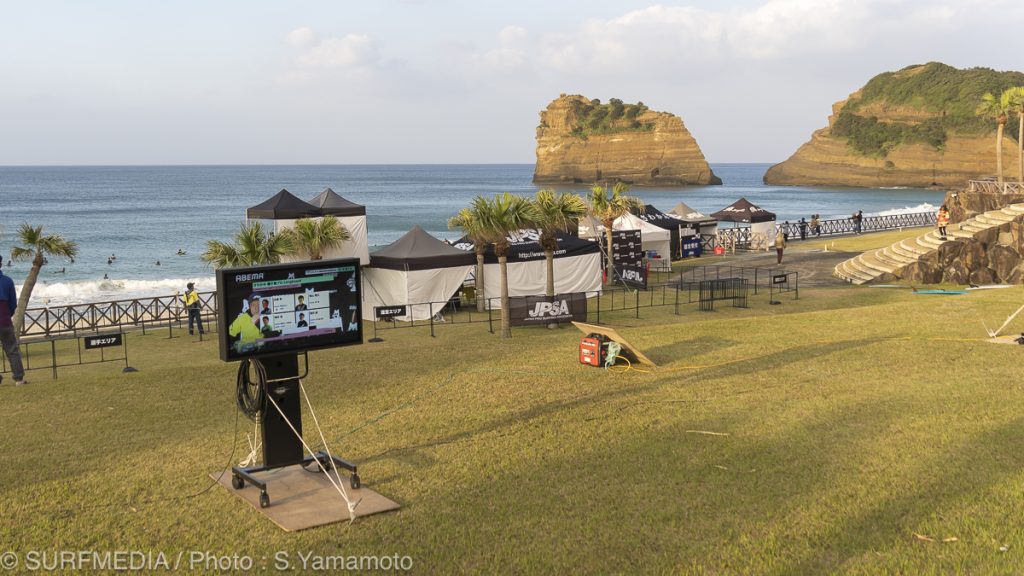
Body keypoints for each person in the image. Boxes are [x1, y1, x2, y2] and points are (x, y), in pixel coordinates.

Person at [0, 256, 27, 386]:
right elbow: (12, 305)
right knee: (12, 350)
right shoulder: (7, 281)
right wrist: (7, 315)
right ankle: (19, 379)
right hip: (4, 321)